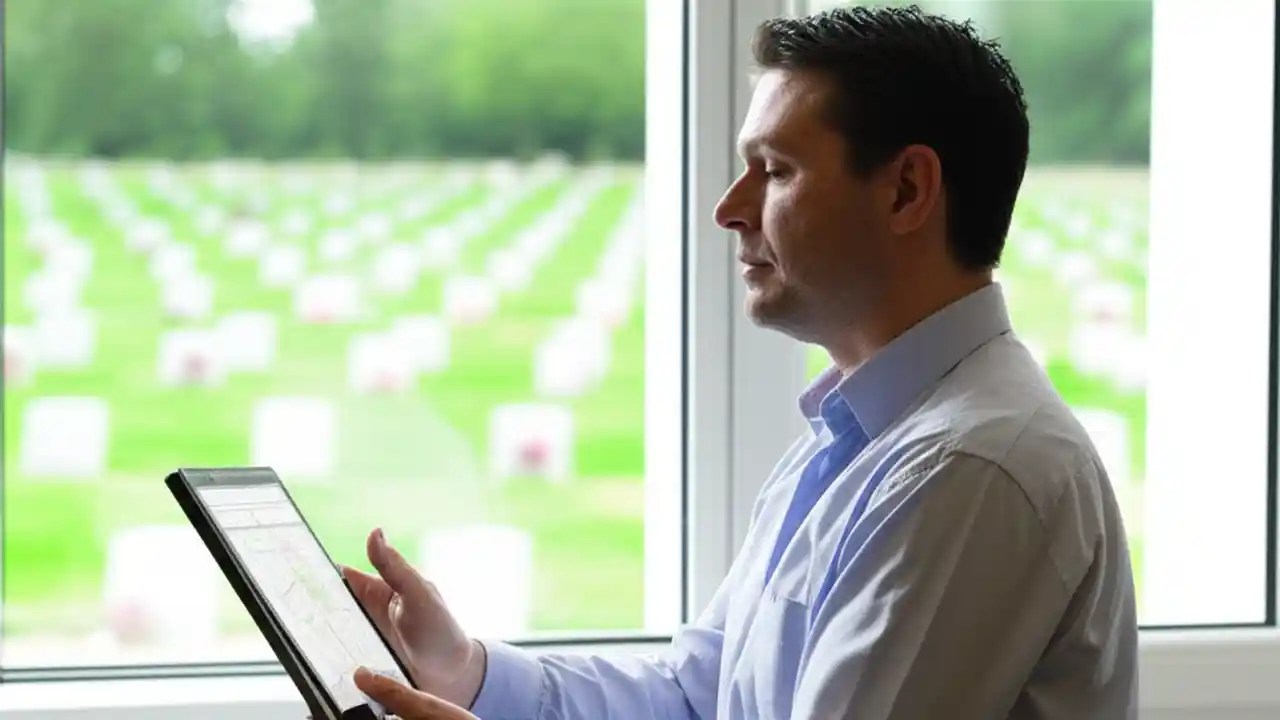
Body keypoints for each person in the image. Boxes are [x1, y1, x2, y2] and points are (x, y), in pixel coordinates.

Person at [344, 5, 1139, 719]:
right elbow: (697, 698)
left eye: (777, 171)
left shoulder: (972, 470)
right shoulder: (859, 439)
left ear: (905, 191)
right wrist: (466, 674)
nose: (729, 208)